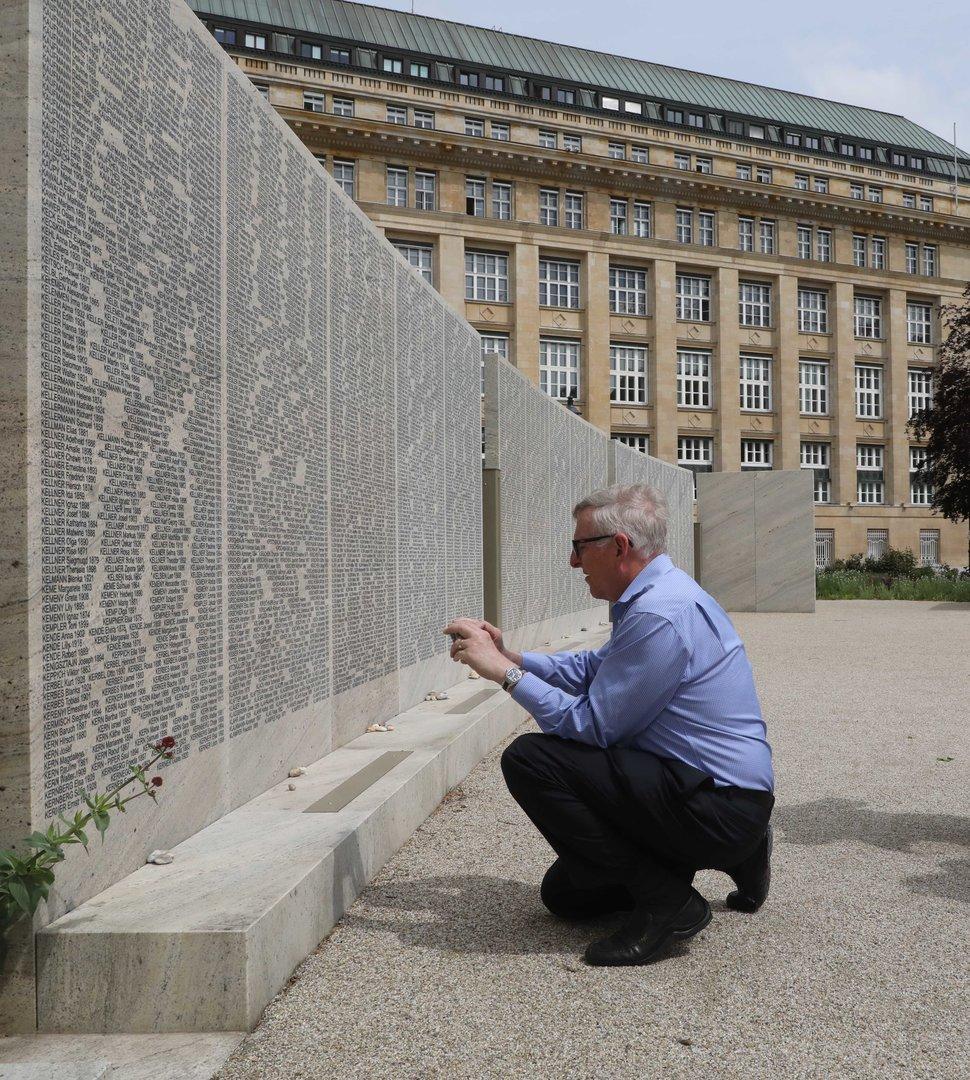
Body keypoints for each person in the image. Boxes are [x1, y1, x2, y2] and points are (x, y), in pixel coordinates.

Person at [444, 482, 774, 967]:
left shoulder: (661, 613)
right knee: (566, 897)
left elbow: (594, 727)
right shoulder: (658, 594)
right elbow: (596, 671)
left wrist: (505, 675)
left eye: (580, 547)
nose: (574, 562)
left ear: (619, 547)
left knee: (531, 760)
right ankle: (738, 855)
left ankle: (671, 904)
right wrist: (513, 655)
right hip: (708, 790)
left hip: (719, 804)